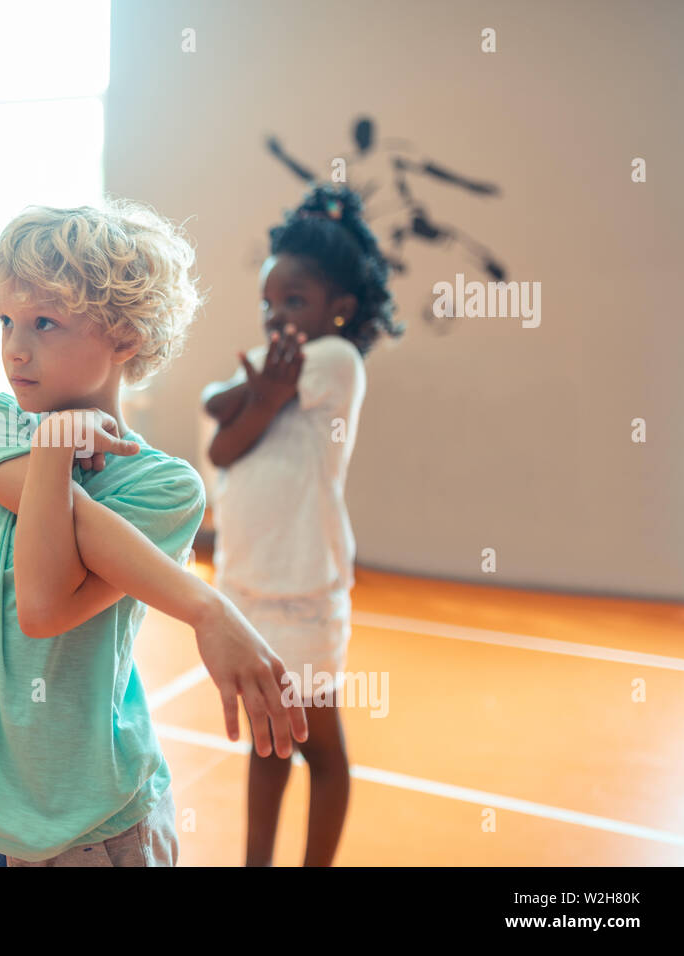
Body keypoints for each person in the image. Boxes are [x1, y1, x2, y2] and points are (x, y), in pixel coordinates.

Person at [0, 200, 308, 866]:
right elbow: (54, 515)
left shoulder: (165, 488)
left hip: (99, 825)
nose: (14, 348)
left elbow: (44, 605)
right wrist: (204, 606)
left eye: (44, 322)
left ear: (123, 337)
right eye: (5, 320)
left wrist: (55, 453)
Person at [202, 183, 404, 865]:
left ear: (339, 310)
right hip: (249, 593)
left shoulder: (337, 361)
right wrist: (260, 399)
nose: (275, 316)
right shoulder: (276, 378)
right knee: (268, 744)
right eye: (267, 303)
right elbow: (219, 442)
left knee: (320, 748)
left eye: (295, 301)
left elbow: (222, 401)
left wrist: (254, 393)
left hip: (305, 594)